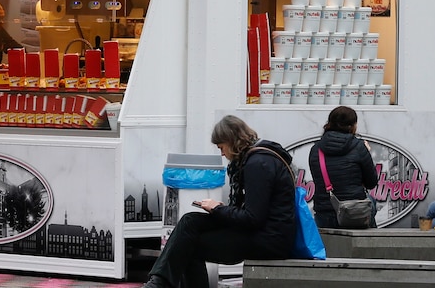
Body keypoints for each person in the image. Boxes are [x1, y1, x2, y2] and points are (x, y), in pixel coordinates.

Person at [141, 115, 297, 288]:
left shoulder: (257, 164)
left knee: (189, 245)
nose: (222, 153)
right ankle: (157, 282)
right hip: (264, 232)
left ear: (232, 141)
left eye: (221, 147)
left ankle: (157, 284)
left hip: (270, 240)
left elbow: (253, 218)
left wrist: (218, 210)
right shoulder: (256, 159)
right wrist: (220, 210)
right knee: (190, 221)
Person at [307, 105, 378, 228]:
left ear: (329, 124)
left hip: (325, 213)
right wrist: (366, 152)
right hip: (355, 212)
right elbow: (371, 183)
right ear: (353, 126)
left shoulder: (316, 149)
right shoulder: (359, 147)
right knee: (371, 202)